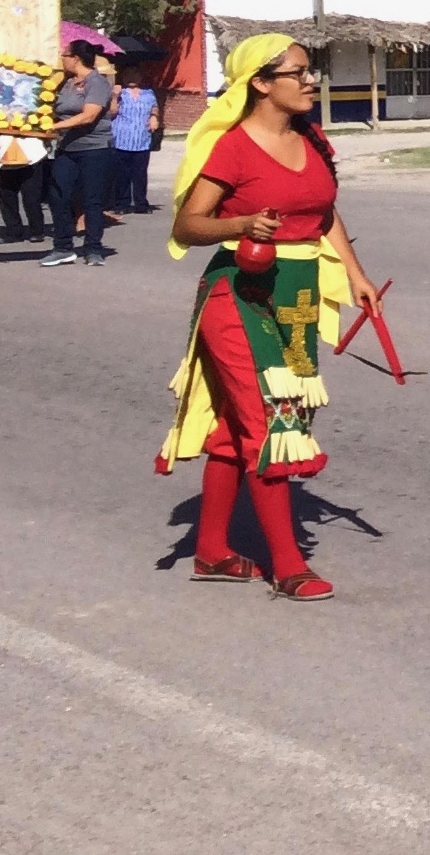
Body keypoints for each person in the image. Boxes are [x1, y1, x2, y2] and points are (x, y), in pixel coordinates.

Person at [158, 34, 384, 602]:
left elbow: (324, 210)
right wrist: (239, 226)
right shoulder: (233, 148)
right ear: (260, 82)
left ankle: (211, 551)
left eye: (313, 72)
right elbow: (188, 226)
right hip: (239, 297)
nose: (312, 82)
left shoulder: (310, 136)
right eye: (300, 72)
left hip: (299, 296)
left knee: (242, 429)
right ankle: (288, 565)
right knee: (271, 424)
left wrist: (355, 274)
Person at [43, 39, 116, 266]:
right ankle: (63, 247)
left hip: (94, 149)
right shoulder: (66, 83)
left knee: (91, 200)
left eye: (64, 55)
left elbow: (89, 115)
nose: (61, 59)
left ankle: (93, 248)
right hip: (68, 148)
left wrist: (54, 127)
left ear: (75, 58)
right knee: (58, 195)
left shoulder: (98, 83)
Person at [109, 64, 161, 213]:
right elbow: (112, 113)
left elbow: (154, 108)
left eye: (135, 74)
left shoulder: (148, 93)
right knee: (122, 175)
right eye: (128, 74)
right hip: (122, 139)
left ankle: (141, 203)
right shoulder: (120, 93)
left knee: (140, 174)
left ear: (140, 76)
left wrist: (154, 117)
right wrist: (114, 96)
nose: (132, 78)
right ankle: (122, 204)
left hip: (142, 139)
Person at [0, 131, 51, 241]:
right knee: (7, 195)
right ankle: (13, 230)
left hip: (32, 152)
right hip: (4, 151)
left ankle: (37, 230)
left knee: (32, 196)